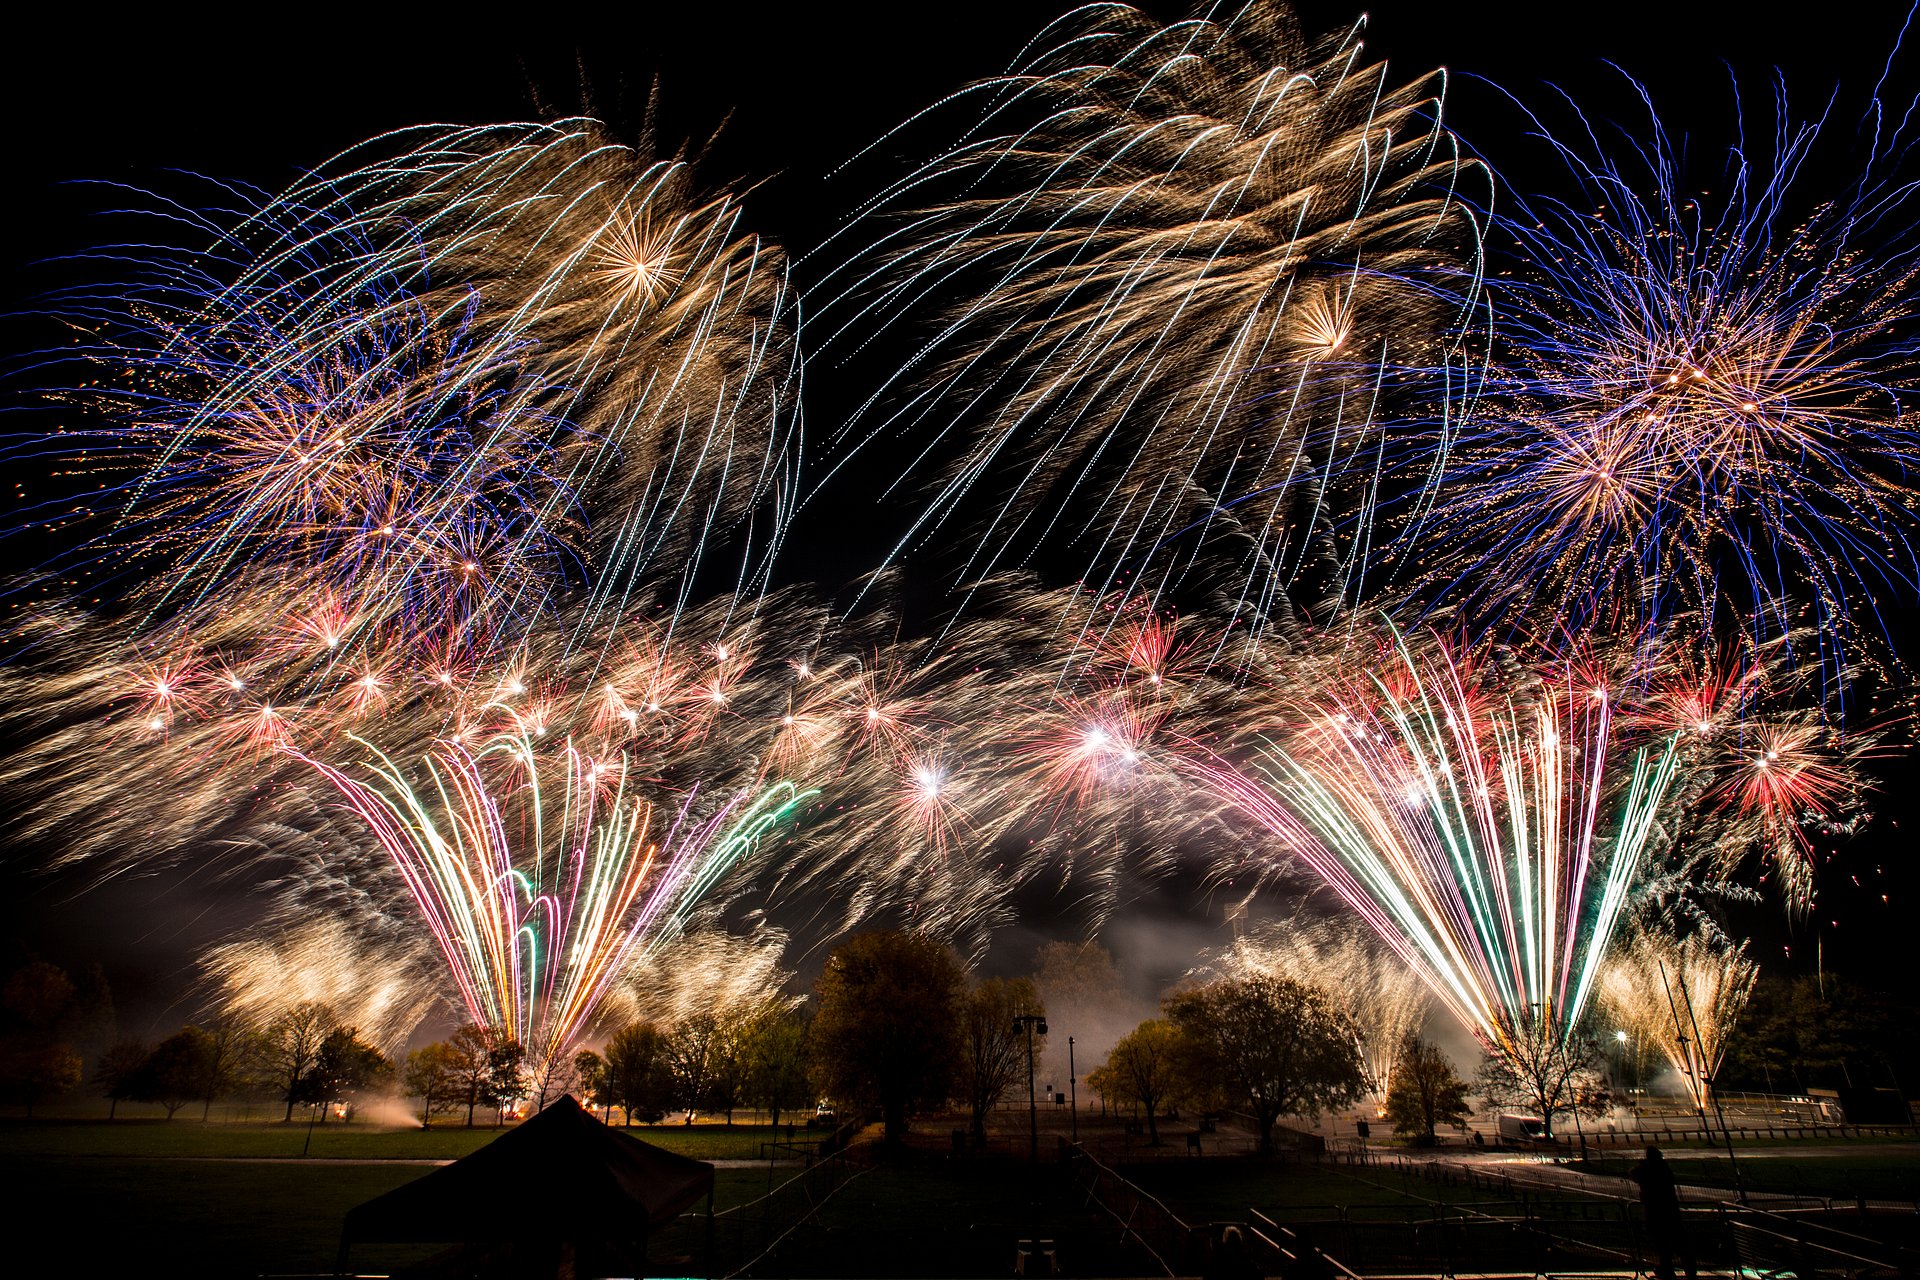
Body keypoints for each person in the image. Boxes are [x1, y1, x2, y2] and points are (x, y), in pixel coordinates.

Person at [1629, 1146, 1694, 1280]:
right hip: (1669, 1209)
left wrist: (1643, 1165)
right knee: (1676, 1242)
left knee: (1664, 1243)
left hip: (1656, 1210)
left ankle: (1669, 1268)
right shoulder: (1664, 1168)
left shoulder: (1650, 1170)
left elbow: (1634, 1174)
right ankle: (1686, 1269)